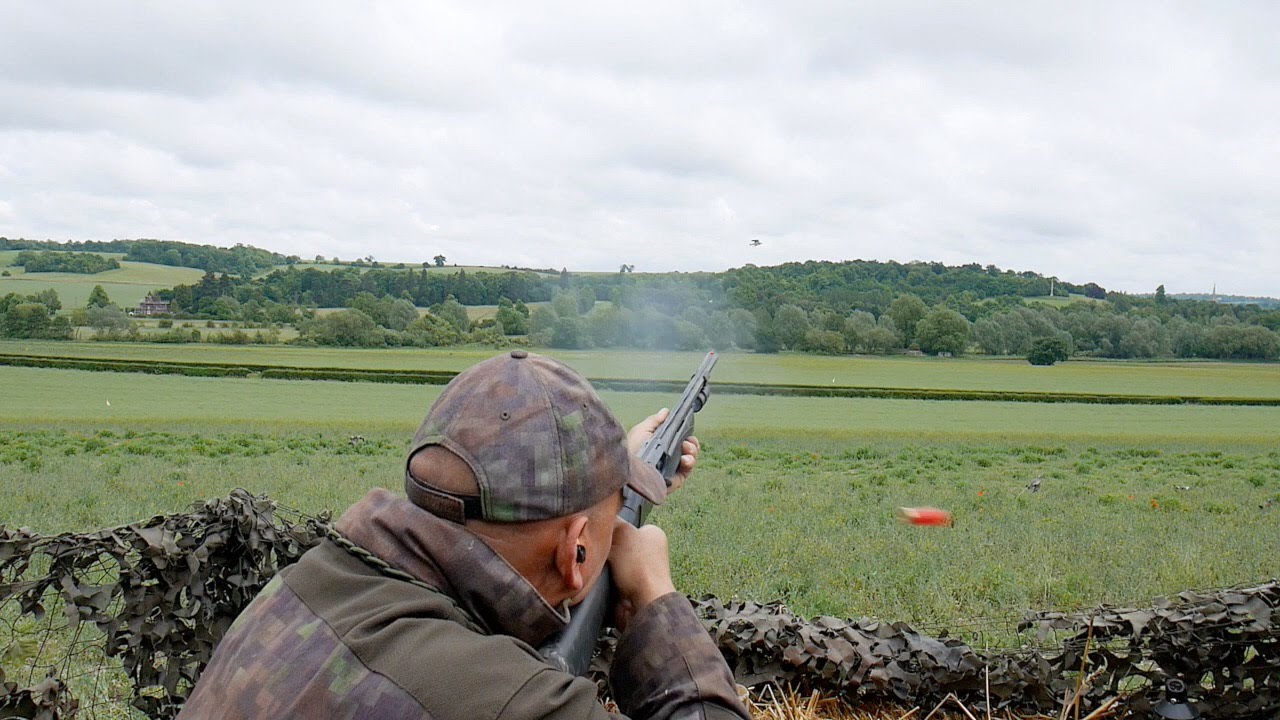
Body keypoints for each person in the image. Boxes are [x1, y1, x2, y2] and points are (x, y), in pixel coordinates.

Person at [178, 349, 749, 719]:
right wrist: (655, 598)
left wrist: (603, 494)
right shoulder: (510, 704)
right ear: (575, 553)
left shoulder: (300, 590)